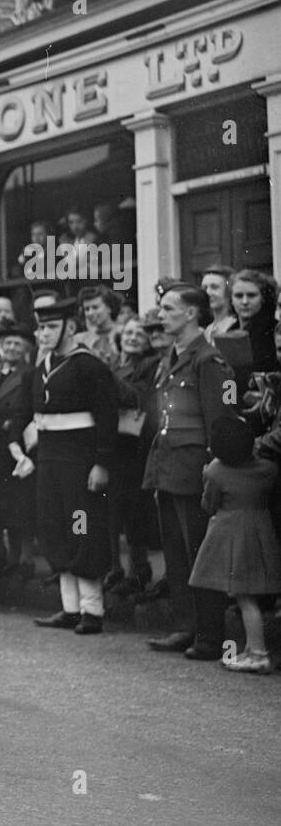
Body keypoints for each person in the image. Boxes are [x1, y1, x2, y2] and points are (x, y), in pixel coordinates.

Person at [142, 285, 235, 660]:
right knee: (177, 554)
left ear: (193, 314)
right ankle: (185, 626)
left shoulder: (210, 361)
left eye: (168, 309)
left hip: (195, 469)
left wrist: (215, 470)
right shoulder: (172, 358)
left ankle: (210, 636)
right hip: (168, 467)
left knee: (200, 552)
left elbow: (222, 422)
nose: (160, 315)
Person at [27, 299, 118, 634]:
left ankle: (92, 611)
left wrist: (102, 463)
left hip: (80, 463)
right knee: (56, 529)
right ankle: (69, 608)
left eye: (51, 327)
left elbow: (107, 417)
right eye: (40, 327)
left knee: (83, 530)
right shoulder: (43, 366)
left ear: (68, 327)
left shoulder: (87, 366)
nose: (44, 334)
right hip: (49, 461)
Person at [187, 416, 280, 674]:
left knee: (244, 598)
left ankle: (258, 652)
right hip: (260, 532)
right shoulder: (268, 469)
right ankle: (252, 649)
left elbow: (209, 505)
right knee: (248, 596)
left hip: (230, 534)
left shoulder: (215, 471)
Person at [107, 316, 160, 593]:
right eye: (128, 332)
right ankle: (114, 568)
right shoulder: (113, 363)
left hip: (134, 445)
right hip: (112, 442)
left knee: (133, 510)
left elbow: (138, 397)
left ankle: (138, 569)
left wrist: (106, 380)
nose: (133, 337)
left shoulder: (149, 365)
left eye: (140, 333)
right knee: (111, 508)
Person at [0, 324, 36, 581]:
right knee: (1, 503)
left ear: (27, 348)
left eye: (17, 344)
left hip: (17, 446)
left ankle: (26, 559)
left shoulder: (29, 373)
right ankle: (10, 556)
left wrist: (7, 425)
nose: (11, 348)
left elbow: (25, 408)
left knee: (21, 504)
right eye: (7, 344)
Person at [230, 269, 279, 373]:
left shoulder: (272, 330)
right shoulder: (231, 330)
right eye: (238, 296)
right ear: (231, 299)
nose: (244, 302)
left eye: (251, 295)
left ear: (263, 298)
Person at [76, 285, 122, 367]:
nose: (90, 313)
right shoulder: (79, 340)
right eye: (87, 309)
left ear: (109, 308)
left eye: (95, 307)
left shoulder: (123, 333)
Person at [200, 265, 237, 346]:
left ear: (229, 291)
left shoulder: (235, 326)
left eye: (214, 287)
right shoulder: (207, 330)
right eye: (204, 288)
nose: (208, 292)